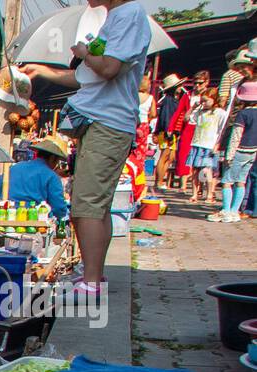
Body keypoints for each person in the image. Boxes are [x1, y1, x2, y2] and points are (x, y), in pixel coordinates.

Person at [22, 0, 152, 295]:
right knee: (90, 204)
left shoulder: (130, 15)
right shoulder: (115, 18)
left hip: (108, 123)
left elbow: (107, 68)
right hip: (98, 122)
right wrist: (43, 71)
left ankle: (92, 281)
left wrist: (85, 53)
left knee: (88, 205)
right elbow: (86, 78)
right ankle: (92, 275)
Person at [209, 81, 257, 223]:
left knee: (226, 181)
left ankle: (226, 210)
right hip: (252, 151)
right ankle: (235, 211)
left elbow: (236, 135)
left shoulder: (242, 114)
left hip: (239, 151)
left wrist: (229, 154)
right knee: (241, 181)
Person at [0, 135, 70, 220]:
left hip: (6, 217)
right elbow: (59, 208)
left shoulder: (15, 168)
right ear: (52, 158)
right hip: (34, 221)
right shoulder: (51, 176)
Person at [185, 88, 222, 204]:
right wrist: (193, 107)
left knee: (207, 170)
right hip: (197, 143)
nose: (204, 103)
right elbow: (187, 118)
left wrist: (218, 144)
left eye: (206, 101)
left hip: (210, 144)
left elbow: (222, 129)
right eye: (202, 101)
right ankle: (195, 193)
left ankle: (210, 194)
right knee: (195, 171)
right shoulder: (200, 112)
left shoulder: (219, 113)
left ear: (214, 99)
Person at [154, 73, 185, 189]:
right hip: (167, 131)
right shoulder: (168, 100)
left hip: (172, 131)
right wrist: (168, 131)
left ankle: (161, 179)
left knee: (170, 157)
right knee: (165, 155)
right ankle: (159, 181)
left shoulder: (175, 100)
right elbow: (166, 116)